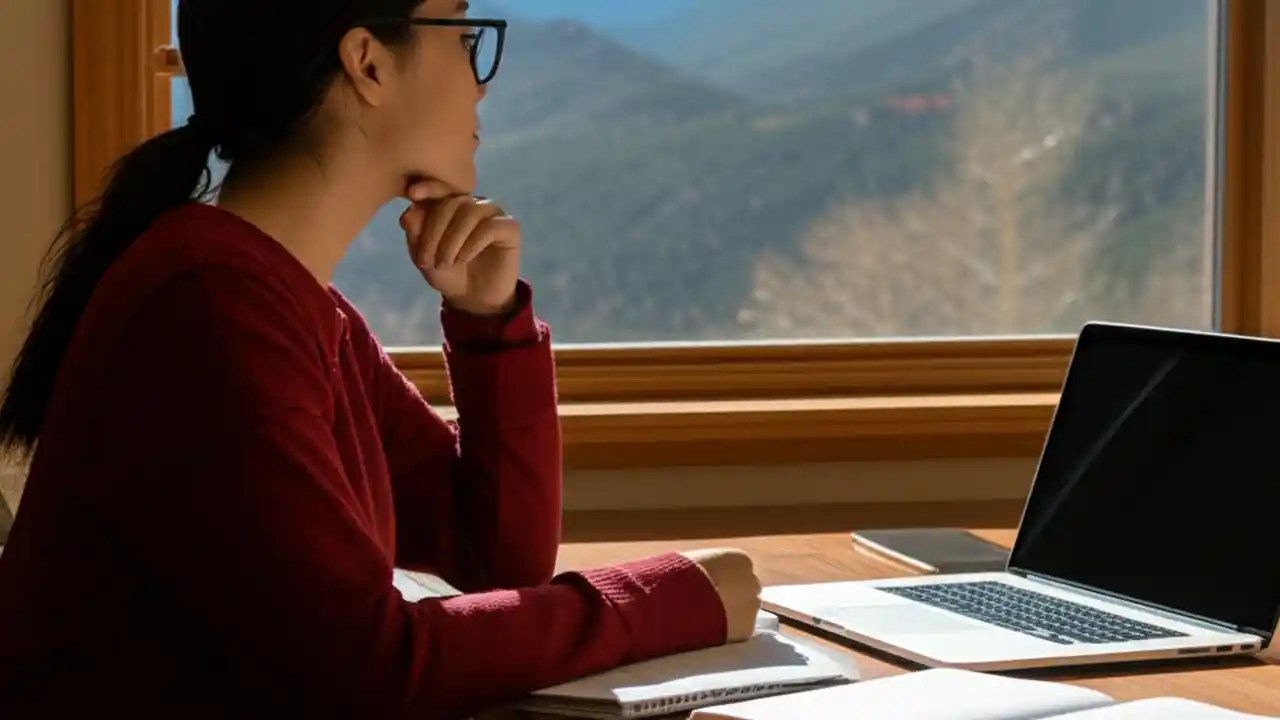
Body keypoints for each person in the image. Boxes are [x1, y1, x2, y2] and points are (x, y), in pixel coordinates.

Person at [0, 0, 762, 716]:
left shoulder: (280, 298)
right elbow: (363, 672)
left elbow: (496, 555)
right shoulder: (209, 304)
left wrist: (488, 322)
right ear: (367, 62)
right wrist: (673, 600)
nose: (479, 82)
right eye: (463, 36)